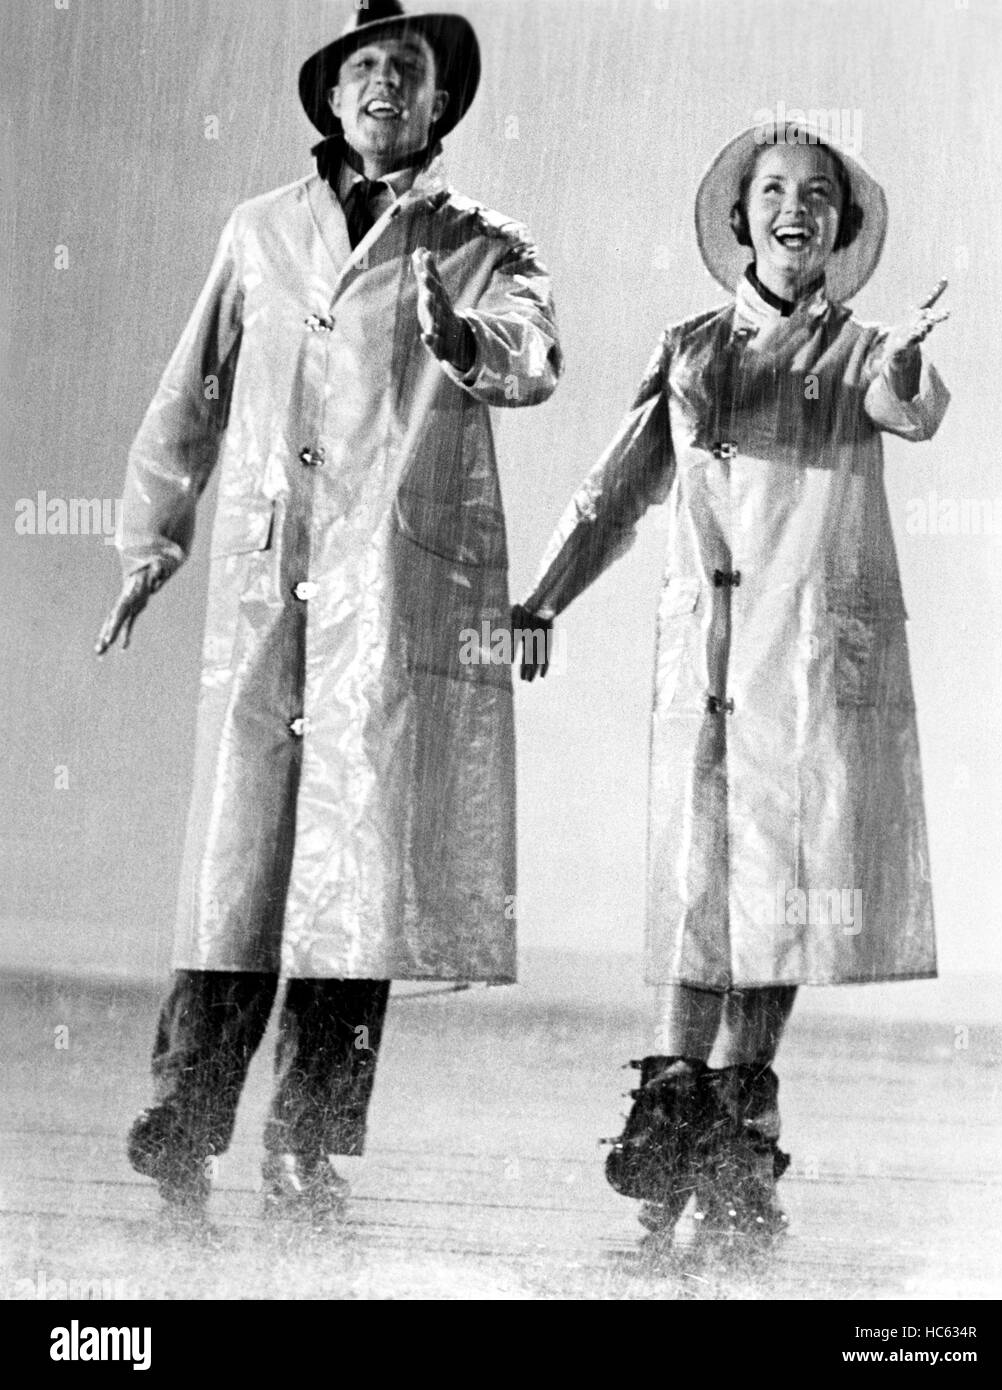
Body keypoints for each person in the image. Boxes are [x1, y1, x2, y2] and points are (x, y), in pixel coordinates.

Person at [95, 0, 561, 1219]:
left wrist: (463, 336)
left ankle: (307, 1143)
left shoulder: (478, 241)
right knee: (237, 868)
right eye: (363, 67)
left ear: (440, 99)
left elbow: (535, 354)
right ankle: (182, 1119)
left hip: (390, 589)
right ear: (331, 95)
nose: (383, 87)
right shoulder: (258, 230)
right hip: (269, 584)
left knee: (354, 892)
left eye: (406, 69)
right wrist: (151, 537)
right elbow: (188, 390)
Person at [514, 122, 948, 1242]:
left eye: (816, 194)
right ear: (741, 217)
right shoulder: (690, 348)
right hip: (704, 659)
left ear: (840, 230)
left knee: (785, 899)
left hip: (807, 663)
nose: (792, 207)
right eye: (771, 190)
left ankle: (739, 1119)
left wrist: (905, 368)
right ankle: (670, 1111)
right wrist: (544, 595)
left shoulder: (861, 352)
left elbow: (914, 405)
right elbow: (616, 488)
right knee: (699, 883)